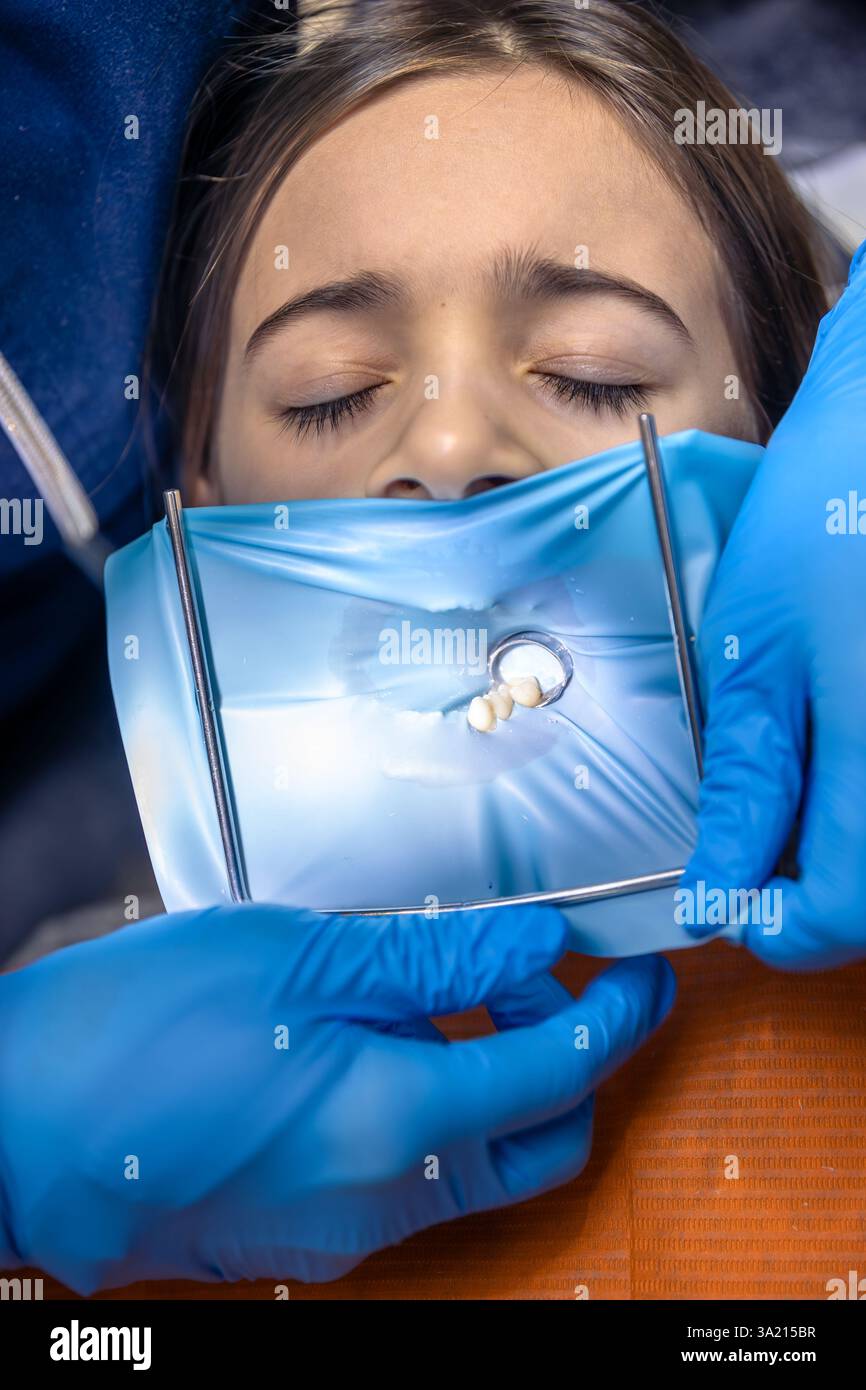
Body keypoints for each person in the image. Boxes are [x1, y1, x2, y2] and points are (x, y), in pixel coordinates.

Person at [0, 0, 863, 1298]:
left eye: (590, 372)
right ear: (197, 494)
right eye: (331, 390)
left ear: (787, 441)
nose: (450, 451)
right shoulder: (90, 1116)